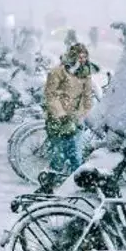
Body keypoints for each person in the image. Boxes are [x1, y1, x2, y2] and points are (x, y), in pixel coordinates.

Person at [43, 43, 95, 174]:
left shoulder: (85, 73)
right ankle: (51, 182)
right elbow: (51, 95)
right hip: (57, 119)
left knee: (75, 155)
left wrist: (80, 114)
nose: (82, 60)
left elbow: (87, 97)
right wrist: (61, 114)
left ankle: (73, 183)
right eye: (79, 56)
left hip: (74, 120)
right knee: (58, 155)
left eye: (84, 57)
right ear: (72, 57)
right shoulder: (58, 72)